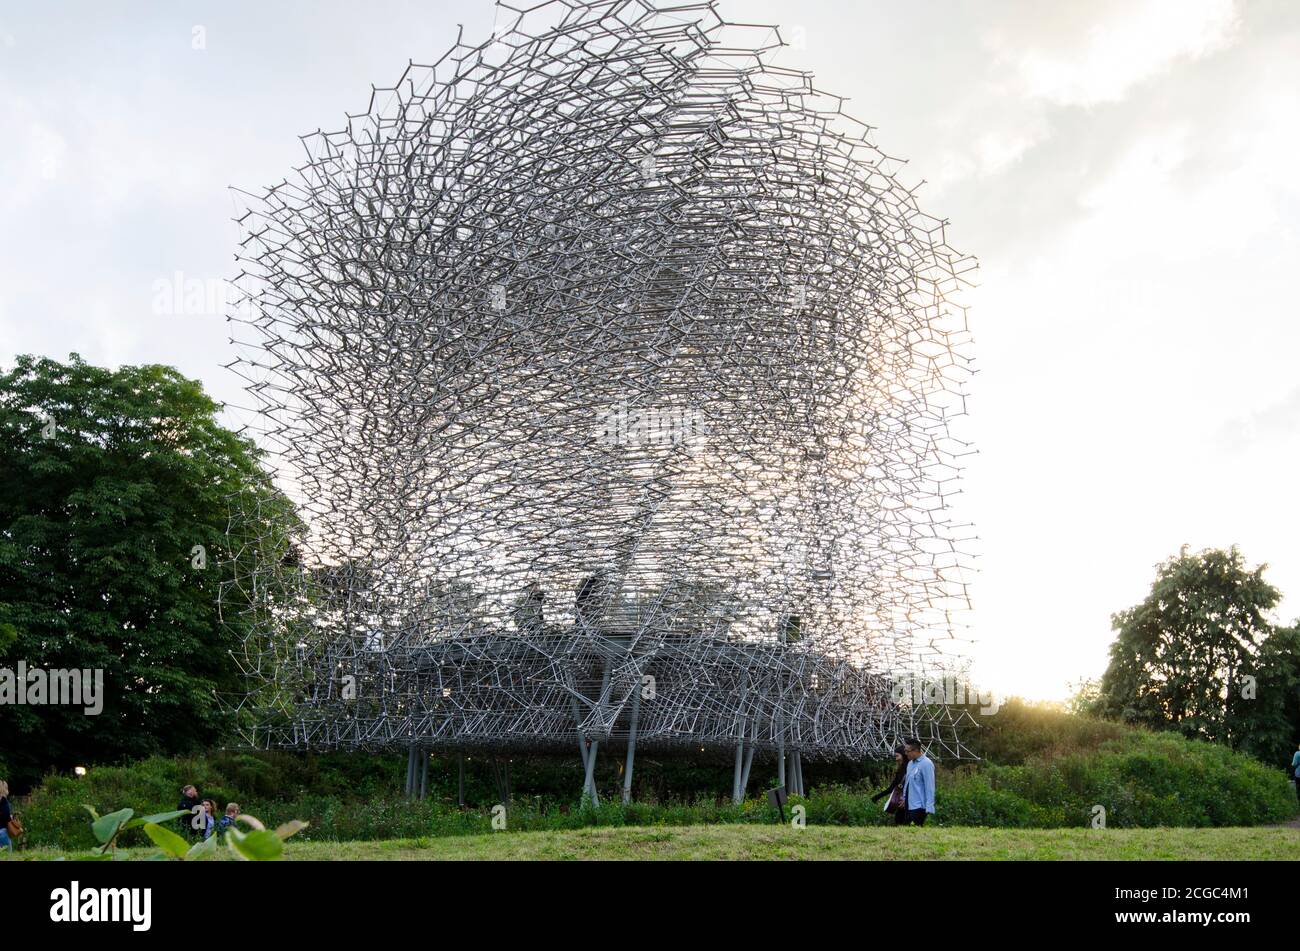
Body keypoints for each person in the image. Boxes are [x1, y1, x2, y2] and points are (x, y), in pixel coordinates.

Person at [900, 738, 935, 826]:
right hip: (909, 804)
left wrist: (929, 808)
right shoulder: (910, 764)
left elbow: (930, 787)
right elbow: (907, 783)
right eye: (905, 751)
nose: (905, 753)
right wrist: (904, 798)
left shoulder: (926, 764)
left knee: (914, 830)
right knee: (906, 829)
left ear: (915, 751)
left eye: (907, 751)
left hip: (919, 807)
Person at [871, 746, 910, 825]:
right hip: (901, 802)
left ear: (903, 755)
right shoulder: (901, 770)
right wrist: (877, 797)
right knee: (899, 821)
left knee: (901, 822)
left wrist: (906, 799)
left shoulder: (909, 769)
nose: (896, 759)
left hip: (908, 802)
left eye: (897, 756)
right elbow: (891, 788)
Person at [0, 779, 13, 853]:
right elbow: (6, 817)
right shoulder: (4, 801)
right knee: (8, 856)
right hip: (2, 831)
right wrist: (10, 817)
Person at [1291, 745, 1300, 809]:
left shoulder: (1297, 753)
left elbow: (1294, 764)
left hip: (1299, 774)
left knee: (1298, 789)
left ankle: (1298, 805)